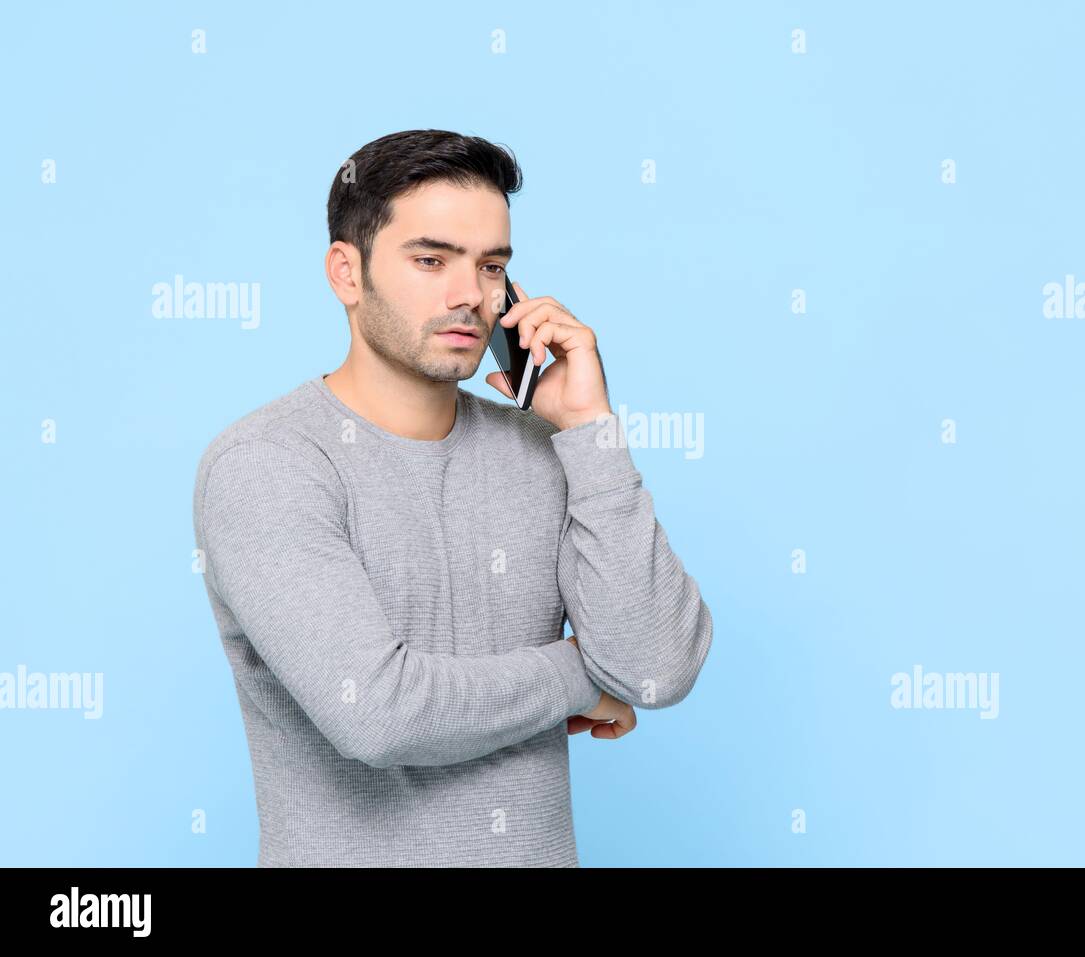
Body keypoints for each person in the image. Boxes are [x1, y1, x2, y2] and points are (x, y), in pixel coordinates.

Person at [191, 130, 713, 867]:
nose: (470, 294)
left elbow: (657, 665)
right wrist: (580, 675)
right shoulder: (267, 464)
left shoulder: (545, 450)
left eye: (492, 265)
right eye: (431, 260)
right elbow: (377, 711)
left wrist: (590, 432)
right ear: (347, 271)